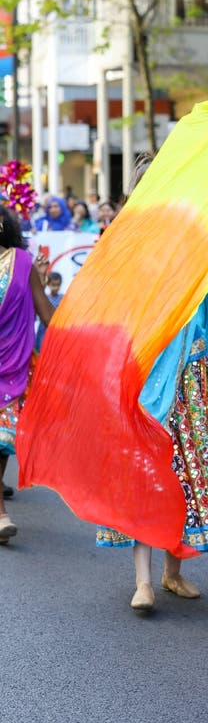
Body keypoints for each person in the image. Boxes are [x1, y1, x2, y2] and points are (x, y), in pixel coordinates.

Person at [97, 154, 208, 610]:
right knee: (145, 470)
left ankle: (172, 573)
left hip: (192, 372)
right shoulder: (127, 240)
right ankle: (143, 581)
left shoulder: (199, 238)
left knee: (187, 471)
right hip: (146, 371)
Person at [0, 207, 54, 541]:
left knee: (4, 441)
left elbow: (46, 311)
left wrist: (87, 331)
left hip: (13, 366)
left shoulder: (22, 262)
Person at [34, 271, 63, 352]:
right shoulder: (44, 299)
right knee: (41, 349)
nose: (56, 287)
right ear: (48, 284)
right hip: (44, 330)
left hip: (57, 330)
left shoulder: (63, 299)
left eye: (58, 285)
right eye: (53, 285)